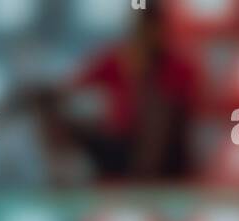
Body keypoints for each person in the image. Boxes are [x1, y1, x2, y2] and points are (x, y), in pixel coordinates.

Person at [26, 4, 198, 184]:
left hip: (166, 157)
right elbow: (67, 88)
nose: (146, 36)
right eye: (142, 29)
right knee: (49, 109)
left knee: (159, 110)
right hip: (120, 148)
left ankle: (143, 181)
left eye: (151, 29)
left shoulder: (179, 68)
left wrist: (144, 81)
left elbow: (177, 118)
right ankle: (58, 182)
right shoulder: (117, 59)